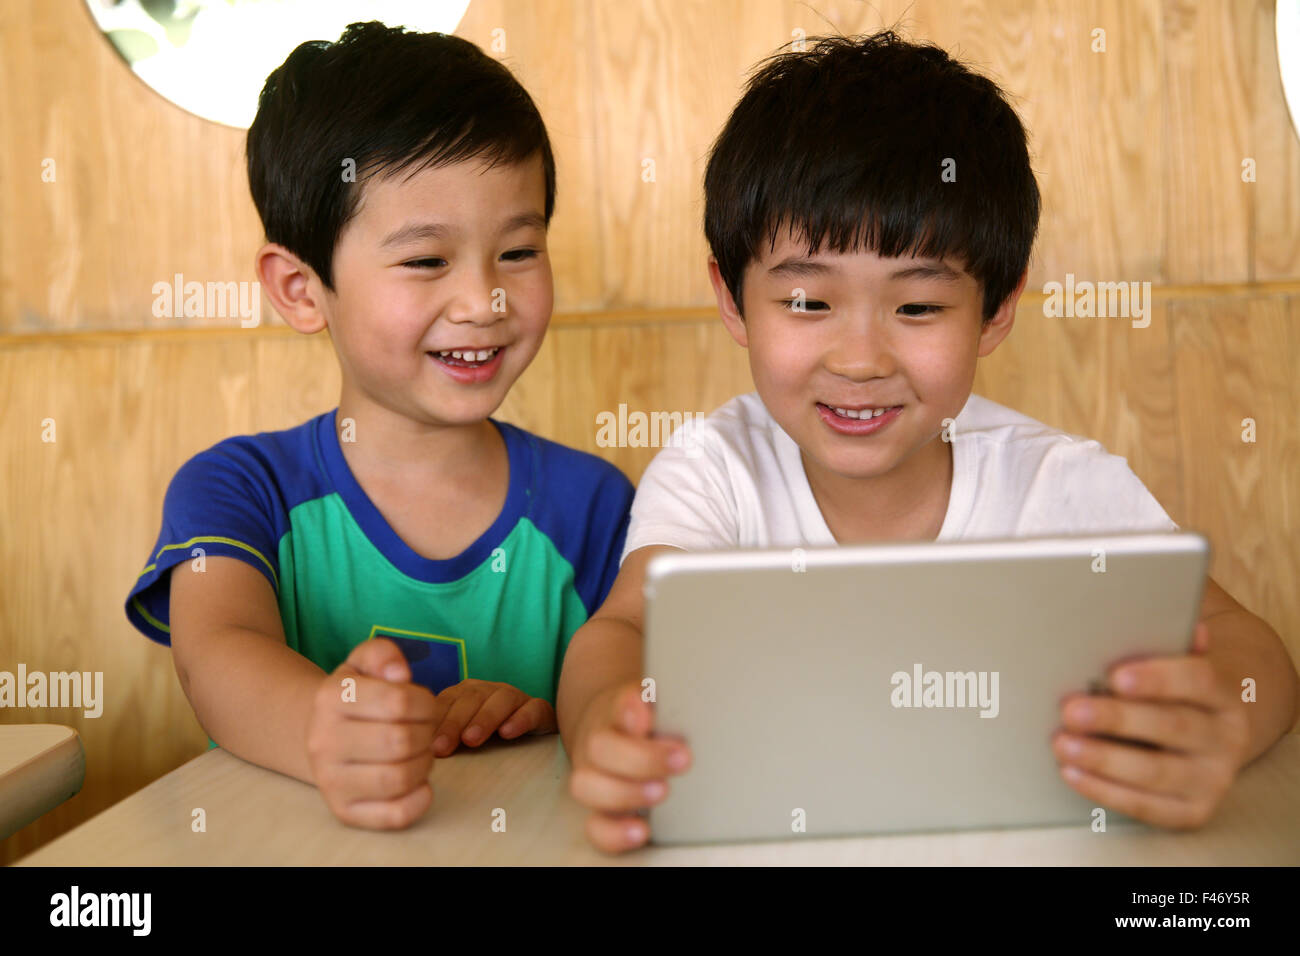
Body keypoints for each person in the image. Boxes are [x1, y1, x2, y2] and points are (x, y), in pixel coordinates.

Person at [557, 31, 1300, 853]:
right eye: (808, 303)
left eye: (917, 308)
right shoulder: (713, 469)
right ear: (732, 302)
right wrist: (605, 722)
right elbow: (622, 633)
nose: (861, 360)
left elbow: (1249, 649)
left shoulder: (1059, 483)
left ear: (997, 309)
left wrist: (1218, 726)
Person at [125, 22, 633, 830]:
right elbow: (215, 656)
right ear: (299, 288)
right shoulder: (237, 490)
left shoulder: (598, 504)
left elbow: (635, 693)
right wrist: (323, 731)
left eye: (519, 251)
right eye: (427, 260)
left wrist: (552, 720)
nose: (483, 301)